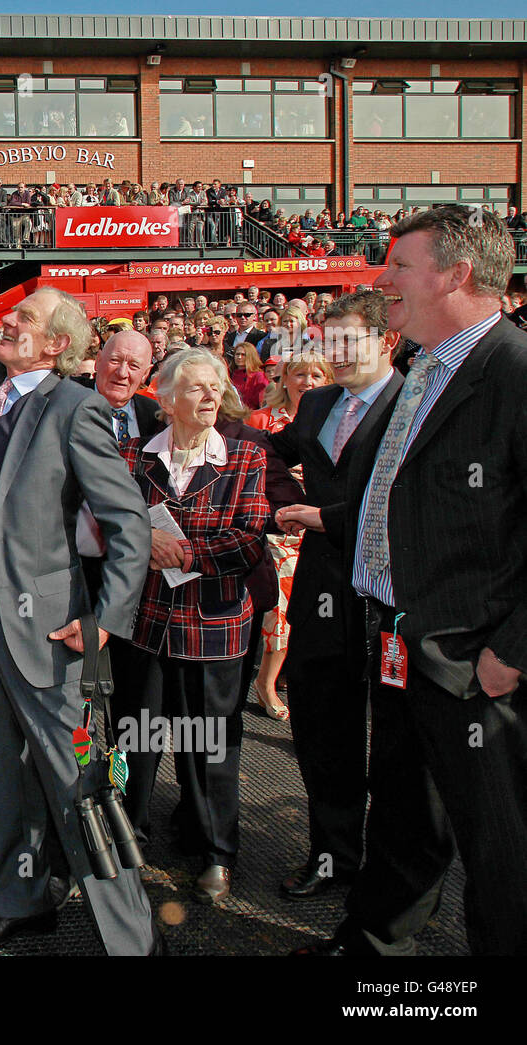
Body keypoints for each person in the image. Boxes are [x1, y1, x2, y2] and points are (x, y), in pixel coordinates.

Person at [0, 242, 159, 955]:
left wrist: (103, 621)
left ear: (58, 344)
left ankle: (132, 938)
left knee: (78, 780)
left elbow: (129, 524)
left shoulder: (76, 409)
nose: (10, 318)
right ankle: (24, 899)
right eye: (14, 310)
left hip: (51, 626)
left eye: (27, 315)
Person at [296, 207, 527, 956]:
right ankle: (374, 948)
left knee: (502, 849)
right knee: (401, 814)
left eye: (399, 265)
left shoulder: (513, 374)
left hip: (475, 665)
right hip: (396, 641)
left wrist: (510, 652)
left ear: (456, 274)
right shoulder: (422, 366)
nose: (381, 279)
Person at [117, 348, 269, 904]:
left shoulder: (245, 457)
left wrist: (180, 553)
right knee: (135, 736)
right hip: (145, 622)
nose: (210, 396)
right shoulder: (130, 454)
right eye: (197, 387)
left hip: (215, 625)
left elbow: (249, 538)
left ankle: (215, 852)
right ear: (167, 397)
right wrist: (140, 542)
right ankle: (127, 832)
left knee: (210, 745)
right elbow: (107, 520)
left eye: (216, 387)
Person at [265, 290, 403, 900]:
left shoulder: (415, 405)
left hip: (392, 601)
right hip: (321, 596)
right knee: (323, 735)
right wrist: (280, 506)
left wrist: (325, 516)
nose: (338, 353)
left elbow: (412, 499)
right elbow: (272, 452)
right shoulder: (317, 402)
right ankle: (332, 856)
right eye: (329, 340)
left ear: (387, 341)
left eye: (351, 340)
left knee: (401, 747)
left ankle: (395, 875)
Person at [243, 352, 333, 719]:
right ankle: (264, 683)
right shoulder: (262, 420)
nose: (307, 381)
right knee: (279, 610)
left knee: (312, 611)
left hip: (324, 527)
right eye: (299, 374)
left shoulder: (336, 418)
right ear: (284, 380)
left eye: (316, 374)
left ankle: (283, 676)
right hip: (281, 529)